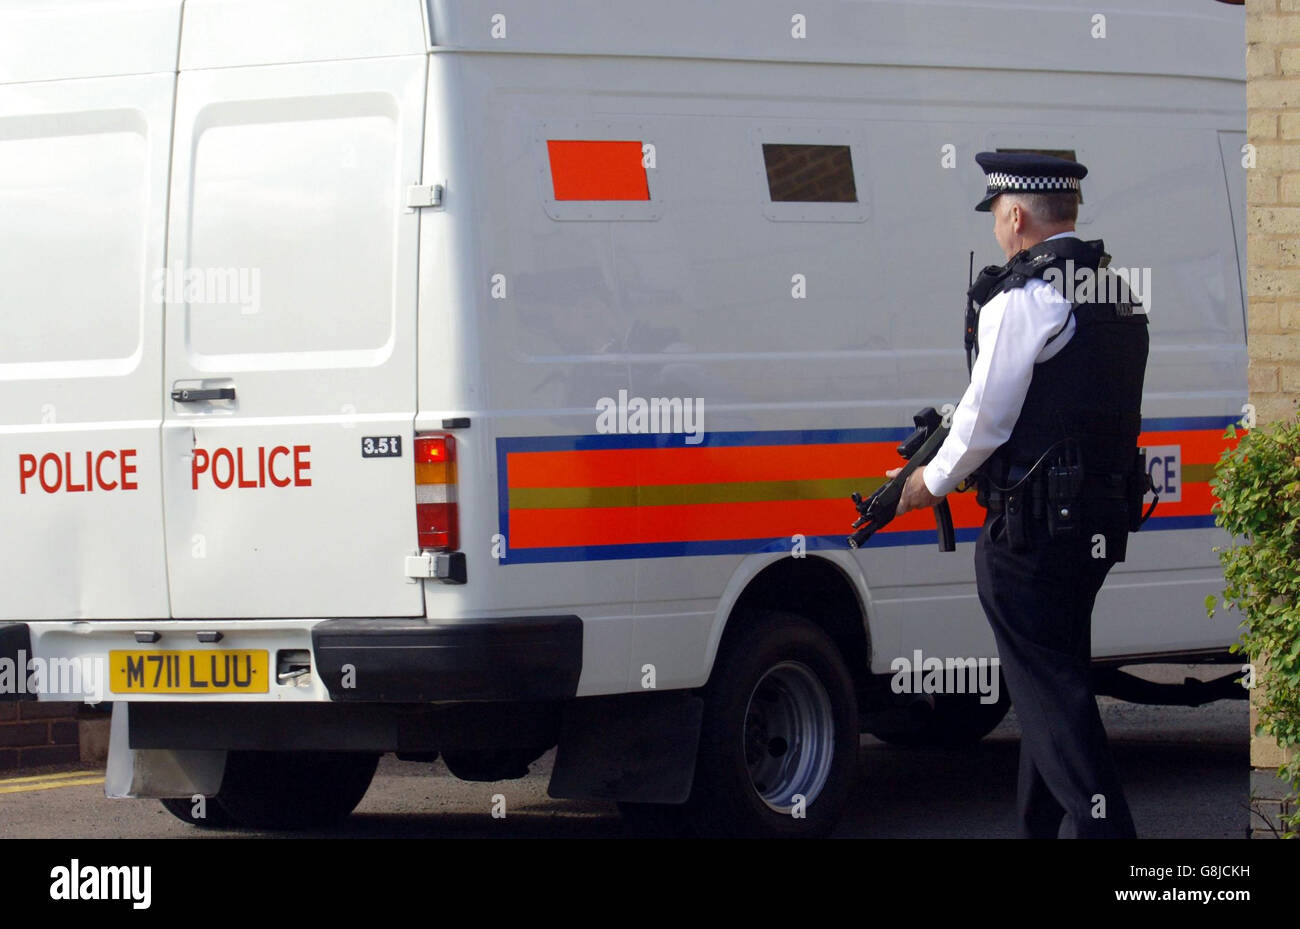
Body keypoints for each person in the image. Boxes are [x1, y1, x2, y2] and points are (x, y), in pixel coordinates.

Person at [888, 151, 1149, 838]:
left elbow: (985, 421)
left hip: (1027, 539)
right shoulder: (1115, 291)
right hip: (1096, 526)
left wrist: (924, 482)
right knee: (1051, 684)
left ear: (1014, 215)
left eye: (999, 215)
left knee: (1053, 699)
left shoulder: (1023, 298)